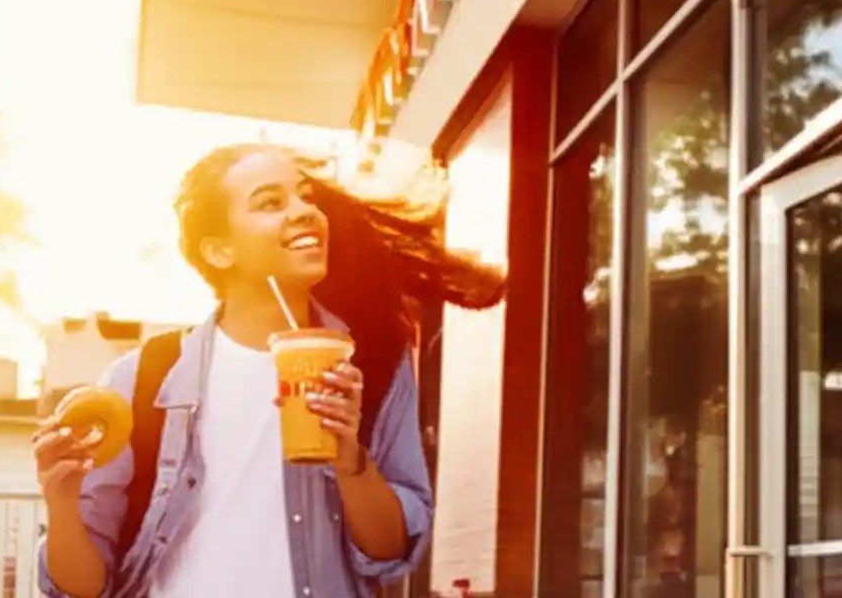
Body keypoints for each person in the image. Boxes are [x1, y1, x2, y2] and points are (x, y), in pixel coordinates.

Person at [33, 144, 505, 597]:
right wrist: (62, 504)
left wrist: (350, 462)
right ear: (219, 251)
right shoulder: (143, 379)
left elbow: (392, 549)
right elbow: (84, 585)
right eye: (270, 203)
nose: (303, 211)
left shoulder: (370, 364)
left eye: (305, 196)